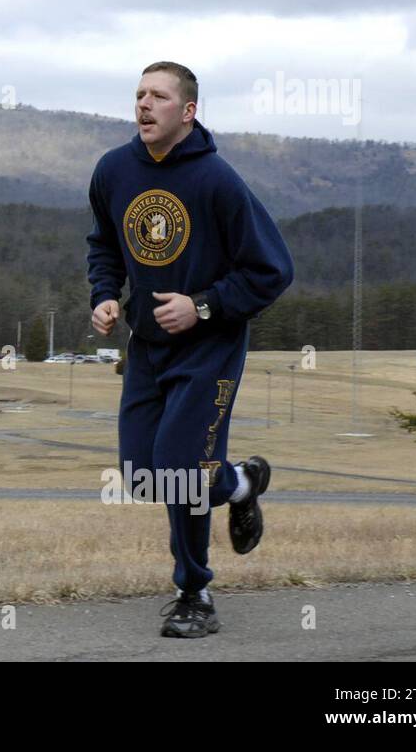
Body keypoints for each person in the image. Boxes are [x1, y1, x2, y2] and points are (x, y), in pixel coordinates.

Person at [86, 61, 294, 637]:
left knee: (181, 467)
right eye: (138, 95)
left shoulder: (218, 181)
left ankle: (194, 593)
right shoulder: (113, 171)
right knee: (144, 476)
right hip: (148, 348)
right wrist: (106, 296)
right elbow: (103, 244)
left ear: (188, 111)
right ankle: (243, 483)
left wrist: (201, 306)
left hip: (211, 347)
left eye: (158, 96)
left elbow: (272, 270)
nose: (144, 105)